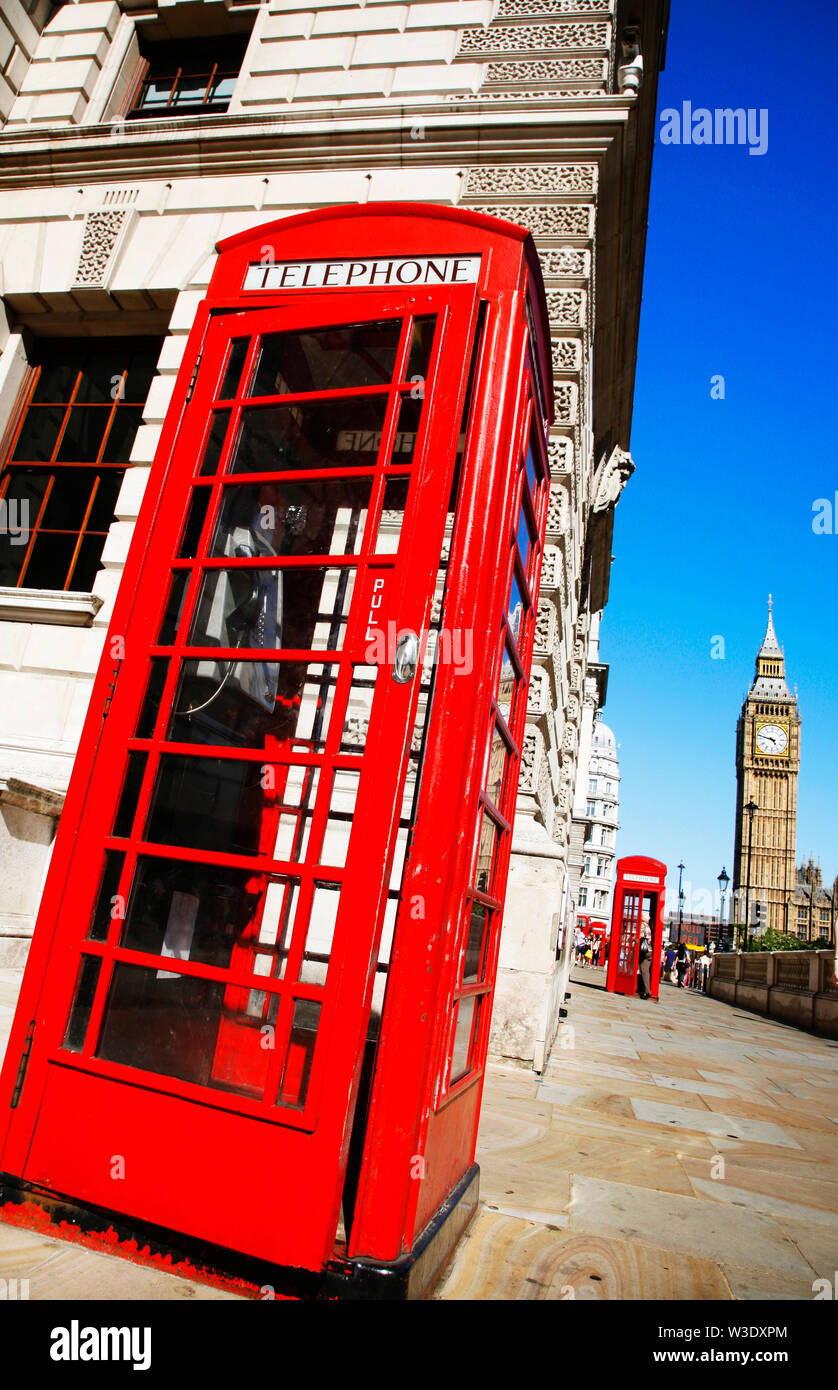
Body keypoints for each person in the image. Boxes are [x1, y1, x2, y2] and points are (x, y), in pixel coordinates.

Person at [637, 921, 653, 999]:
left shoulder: (642, 926)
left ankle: (646, 991)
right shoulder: (649, 927)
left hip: (643, 951)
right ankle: (643, 989)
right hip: (650, 951)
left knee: (642, 970)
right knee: (645, 971)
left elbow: (639, 937)